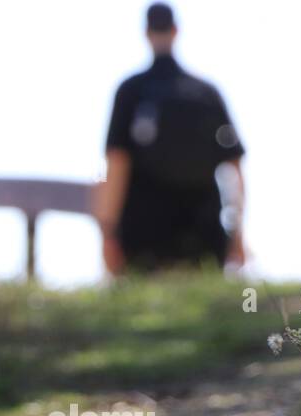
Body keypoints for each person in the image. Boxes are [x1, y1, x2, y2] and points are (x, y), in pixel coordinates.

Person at [94, 3, 246, 275]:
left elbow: (114, 165)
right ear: (176, 30)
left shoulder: (130, 91)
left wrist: (107, 231)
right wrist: (237, 233)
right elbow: (235, 169)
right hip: (205, 238)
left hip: (143, 240)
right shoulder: (207, 93)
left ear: (146, 32)